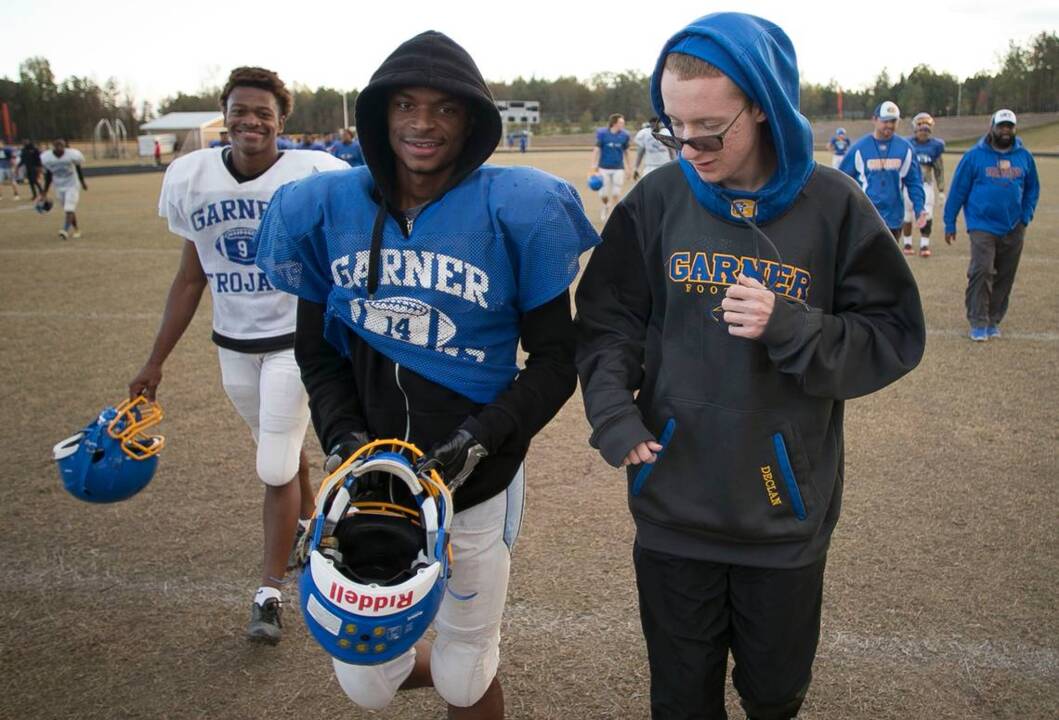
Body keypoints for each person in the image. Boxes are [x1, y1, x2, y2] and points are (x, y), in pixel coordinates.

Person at [575, 12, 925, 720]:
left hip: (781, 516)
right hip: (674, 508)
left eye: (709, 129)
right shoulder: (656, 200)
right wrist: (612, 411)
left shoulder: (833, 207)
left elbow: (892, 334)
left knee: (774, 696)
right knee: (681, 699)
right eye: (673, 127)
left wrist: (790, 326)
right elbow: (608, 323)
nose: (689, 147)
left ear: (763, 104)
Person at [255, 30, 599, 719]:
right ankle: (438, 662)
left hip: (477, 477)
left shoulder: (515, 208)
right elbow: (316, 351)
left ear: (471, 122)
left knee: (464, 672)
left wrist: (481, 437)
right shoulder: (325, 207)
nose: (423, 123)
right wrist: (343, 435)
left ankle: (460, 664)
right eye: (405, 104)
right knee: (366, 681)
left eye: (445, 108)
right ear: (380, 114)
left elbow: (557, 359)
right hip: (373, 483)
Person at [127, 66, 348, 644]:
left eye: (263, 113)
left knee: (273, 465)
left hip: (295, 346)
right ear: (223, 116)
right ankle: (311, 524)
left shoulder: (313, 174)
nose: (250, 121)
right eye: (240, 111)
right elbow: (190, 278)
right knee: (281, 450)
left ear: (281, 121)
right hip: (233, 346)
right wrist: (155, 361)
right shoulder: (192, 176)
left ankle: (269, 592)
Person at [943, 109, 1039, 342]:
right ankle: (977, 320)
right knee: (982, 270)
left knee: (1005, 275)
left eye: (1009, 127)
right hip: (982, 224)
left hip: (1014, 225)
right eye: (1001, 126)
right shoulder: (974, 156)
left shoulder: (1024, 156)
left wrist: (1025, 216)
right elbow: (958, 190)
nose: (1005, 131)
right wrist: (950, 222)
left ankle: (993, 318)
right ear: (992, 127)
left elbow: (1032, 189)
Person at [840, 101, 926, 242]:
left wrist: (919, 208)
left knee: (890, 256)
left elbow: (914, 182)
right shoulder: (859, 148)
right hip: (866, 217)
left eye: (893, 121)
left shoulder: (905, 148)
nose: (889, 125)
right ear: (874, 119)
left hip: (894, 218)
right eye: (885, 121)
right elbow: (842, 180)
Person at [900, 112, 945, 257]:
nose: (923, 132)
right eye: (921, 129)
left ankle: (924, 244)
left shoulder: (935, 146)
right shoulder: (906, 145)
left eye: (926, 129)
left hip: (926, 185)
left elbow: (939, 169)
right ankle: (907, 243)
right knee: (907, 215)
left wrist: (941, 190)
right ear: (915, 129)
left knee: (927, 214)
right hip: (908, 185)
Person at [39, 139, 87, 239]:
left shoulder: (72, 155)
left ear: (64, 146)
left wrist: (82, 182)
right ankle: (76, 229)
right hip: (59, 185)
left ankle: (65, 230)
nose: (59, 147)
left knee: (69, 207)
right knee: (68, 209)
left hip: (72, 184)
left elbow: (78, 167)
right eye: (57, 145)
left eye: (61, 145)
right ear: (53, 146)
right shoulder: (47, 157)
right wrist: (44, 192)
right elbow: (49, 175)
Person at [590, 113, 630, 221]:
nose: (623, 124)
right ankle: (606, 205)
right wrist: (593, 166)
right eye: (621, 122)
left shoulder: (625, 135)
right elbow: (596, 150)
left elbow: (626, 152)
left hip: (618, 168)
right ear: (614, 123)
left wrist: (629, 168)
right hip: (604, 168)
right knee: (603, 194)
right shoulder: (603, 134)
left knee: (616, 193)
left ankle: (614, 214)